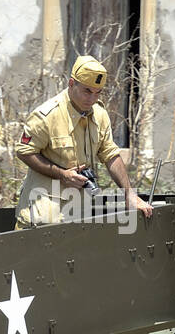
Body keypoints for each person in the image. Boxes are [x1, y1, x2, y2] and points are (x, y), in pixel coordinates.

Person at [14, 54, 152, 228]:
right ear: (72, 84)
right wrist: (62, 175)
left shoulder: (99, 115)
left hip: (78, 220)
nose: (92, 99)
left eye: (98, 93)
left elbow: (110, 154)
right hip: (41, 221)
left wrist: (129, 194)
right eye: (87, 91)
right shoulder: (47, 115)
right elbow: (24, 152)